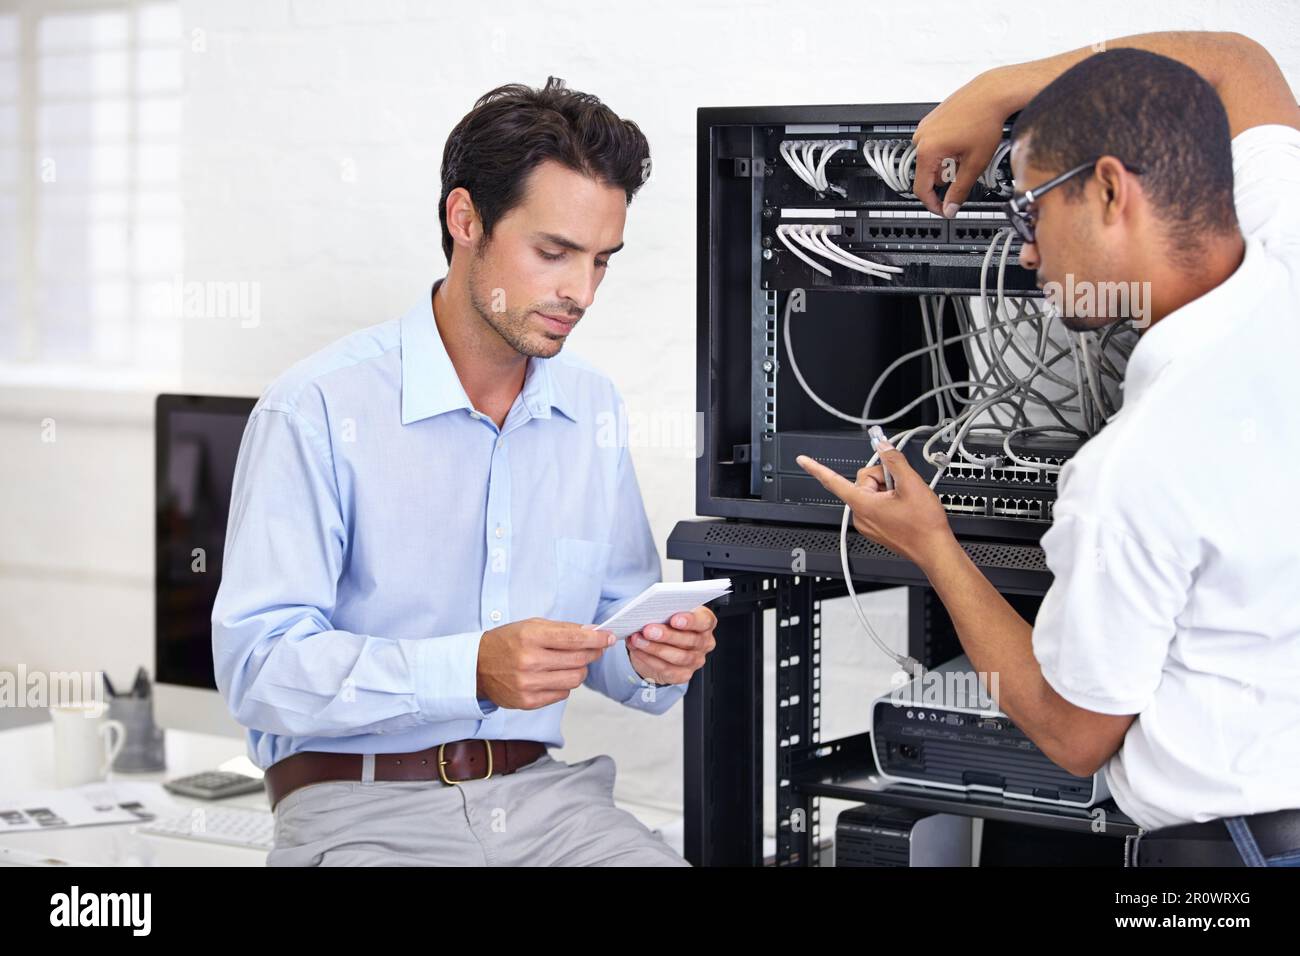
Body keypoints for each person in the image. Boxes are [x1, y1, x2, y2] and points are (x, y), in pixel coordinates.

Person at [798, 32, 1300, 866]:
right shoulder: (1286, 248)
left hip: (1230, 861)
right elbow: (1240, 63)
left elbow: (1073, 734)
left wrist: (931, 544)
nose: (1025, 251)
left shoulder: (1134, 468)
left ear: (1109, 190)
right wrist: (999, 89)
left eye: (1031, 209)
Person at [212, 77, 715, 866]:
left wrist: (654, 658)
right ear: (465, 219)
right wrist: (469, 668)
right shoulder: (314, 407)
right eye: (553, 253)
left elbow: (614, 640)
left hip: (551, 808)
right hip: (358, 810)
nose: (580, 292)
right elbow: (258, 667)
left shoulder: (592, 408)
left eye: (601, 262)